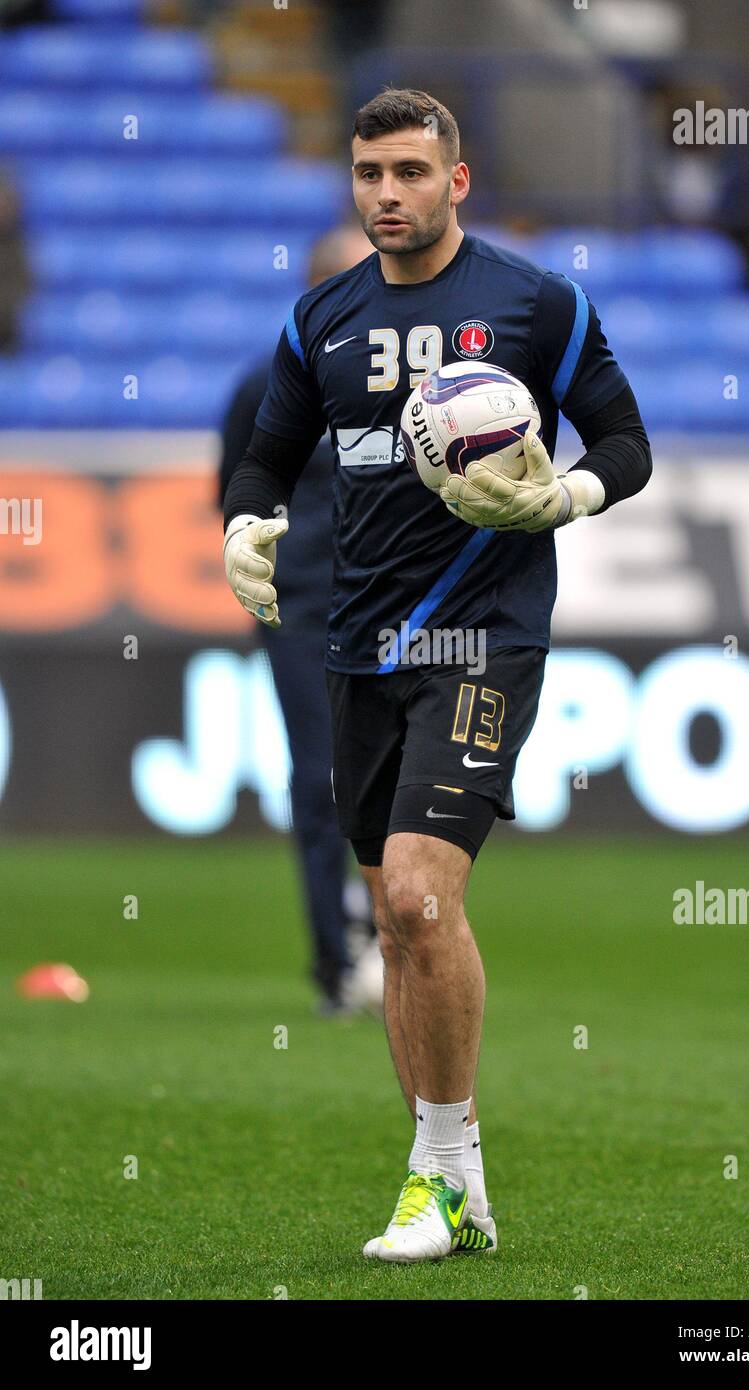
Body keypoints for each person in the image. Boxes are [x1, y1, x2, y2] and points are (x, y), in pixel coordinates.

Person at [222, 87, 652, 1262]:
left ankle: (442, 1175)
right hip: (357, 645)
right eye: (369, 174)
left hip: (483, 637)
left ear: (456, 181)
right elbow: (263, 453)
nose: (387, 195)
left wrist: (566, 494)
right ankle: (450, 1180)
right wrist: (246, 527)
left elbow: (627, 442)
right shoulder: (324, 316)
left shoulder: (535, 304)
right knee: (395, 924)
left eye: (411, 172)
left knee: (419, 895)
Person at [218, 225, 378, 1017]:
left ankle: (395, 937)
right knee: (320, 783)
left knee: (404, 785)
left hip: (398, 608)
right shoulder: (265, 389)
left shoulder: (415, 384)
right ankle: (335, 966)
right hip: (303, 612)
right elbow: (237, 496)